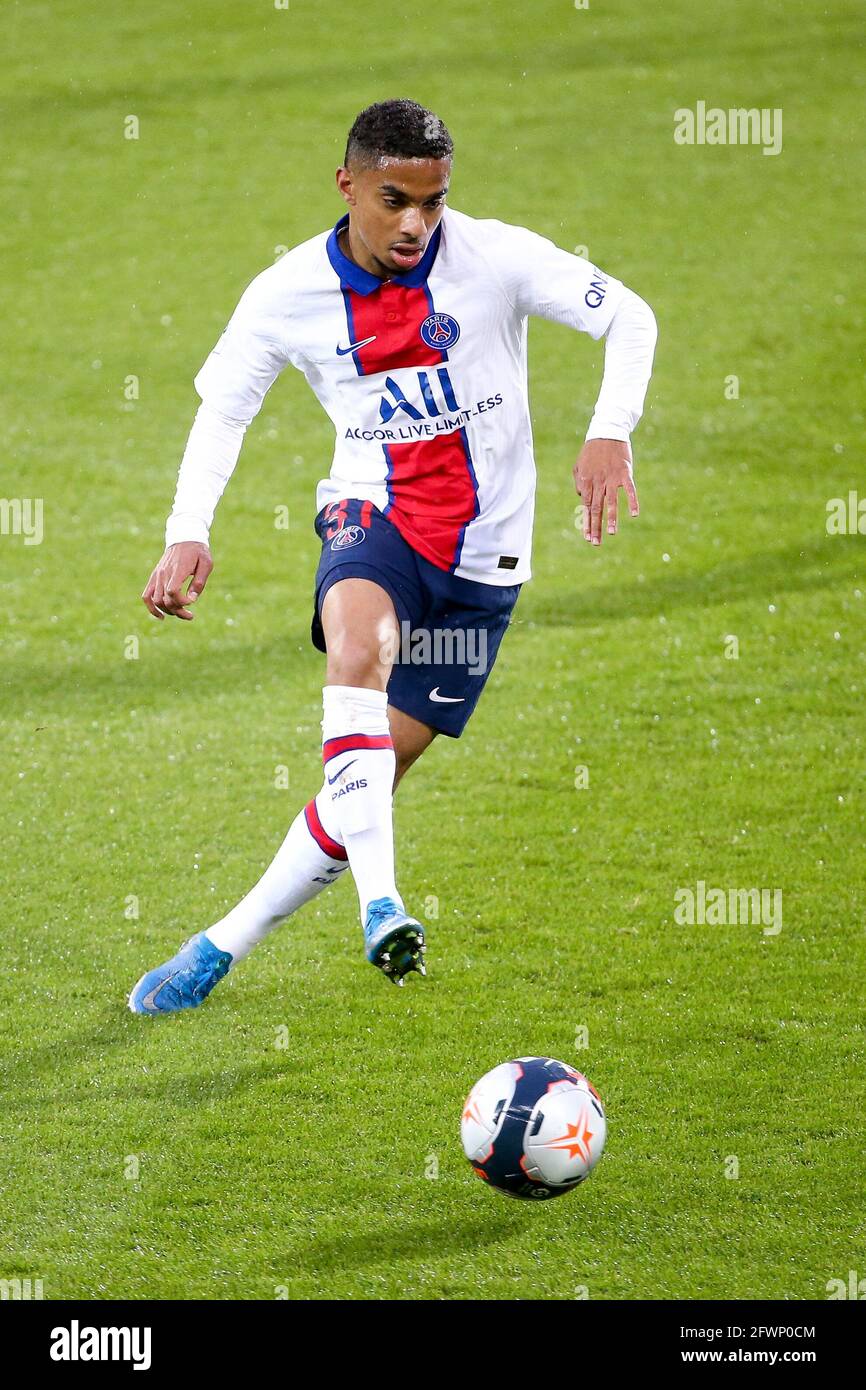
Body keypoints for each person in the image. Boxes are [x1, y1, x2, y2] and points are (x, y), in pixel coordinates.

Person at [128, 98, 657, 1015]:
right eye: (393, 198)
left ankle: (221, 942)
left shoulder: (494, 256)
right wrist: (189, 529)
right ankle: (383, 904)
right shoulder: (286, 292)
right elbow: (225, 410)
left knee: (362, 781)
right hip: (375, 518)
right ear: (348, 186)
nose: (416, 223)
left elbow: (633, 318)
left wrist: (610, 432)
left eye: (433, 201)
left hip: (487, 564)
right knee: (357, 654)